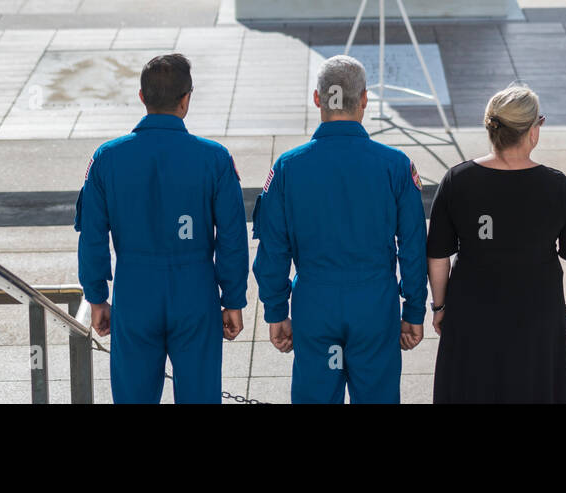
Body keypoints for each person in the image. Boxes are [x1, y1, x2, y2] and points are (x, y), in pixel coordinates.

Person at [252, 55, 427, 404]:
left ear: (317, 99)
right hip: (375, 303)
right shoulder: (395, 165)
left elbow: (273, 249)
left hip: (315, 302)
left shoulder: (288, 167)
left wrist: (276, 311)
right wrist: (414, 310)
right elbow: (412, 246)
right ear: (364, 100)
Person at [75, 53, 248, 403]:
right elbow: (231, 236)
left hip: (135, 290)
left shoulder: (107, 158)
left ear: (142, 97)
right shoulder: (215, 158)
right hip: (195, 289)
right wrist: (232, 299)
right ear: (187, 99)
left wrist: (97, 297)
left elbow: (92, 236)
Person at [427, 85, 566, 403]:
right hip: (538, 315)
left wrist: (441, 306)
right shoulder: (558, 187)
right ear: (533, 131)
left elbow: (437, 256)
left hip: (471, 311)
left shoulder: (457, 181)